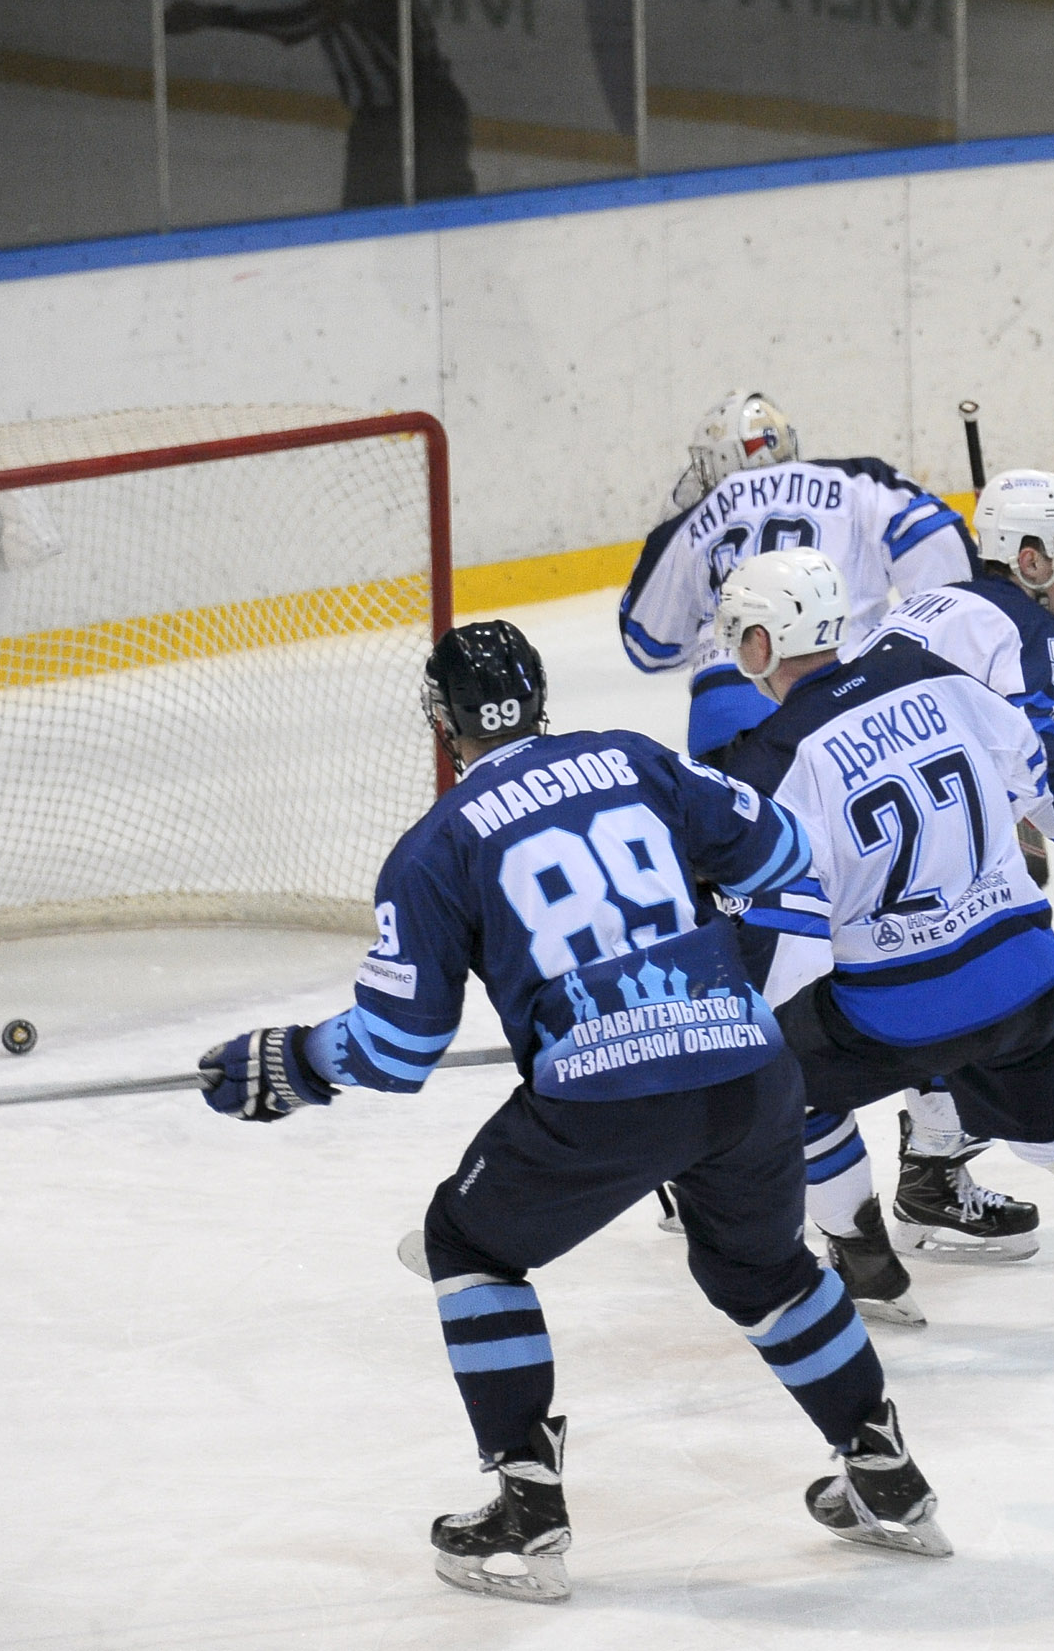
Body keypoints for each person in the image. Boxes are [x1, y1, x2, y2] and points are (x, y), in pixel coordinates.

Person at [195, 620, 949, 1603]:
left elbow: (398, 1045)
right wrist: (716, 953)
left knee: (465, 1240)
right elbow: (786, 851)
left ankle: (524, 1509)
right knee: (760, 1267)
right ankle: (886, 1475)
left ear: (443, 724)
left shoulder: (436, 844)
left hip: (605, 1090)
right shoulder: (634, 759)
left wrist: (295, 1060)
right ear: (539, 699)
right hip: (746, 1061)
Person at [709, 548, 1054, 1326]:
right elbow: (1035, 762)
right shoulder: (926, 669)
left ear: (761, 645)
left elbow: (778, 938)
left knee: (782, 1086)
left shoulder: (772, 761)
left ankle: (867, 1262)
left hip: (893, 1015)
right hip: (1025, 983)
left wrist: (722, 1018)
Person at [800, 468, 1054, 1264]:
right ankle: (930, 1172)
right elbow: (1042, 757)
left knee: (933, 975)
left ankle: (910, 1174)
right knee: (986, 971)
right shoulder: (1031, 632)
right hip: (911, 837)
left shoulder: (927, 603)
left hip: (855, 831)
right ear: (1029, 558)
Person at [618, 392, 976, 763]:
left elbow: (649, 647)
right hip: (848, 688)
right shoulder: (860, 481)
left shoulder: (693, 519)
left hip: (726, 703)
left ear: (725, 457)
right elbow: (942, 550)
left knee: (742, 815)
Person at [163, 0, 476, 206]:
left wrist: (209, 15)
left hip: (423, 120)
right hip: (376, 125)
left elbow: (305, 15)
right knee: (369, 236)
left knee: (439, 229)